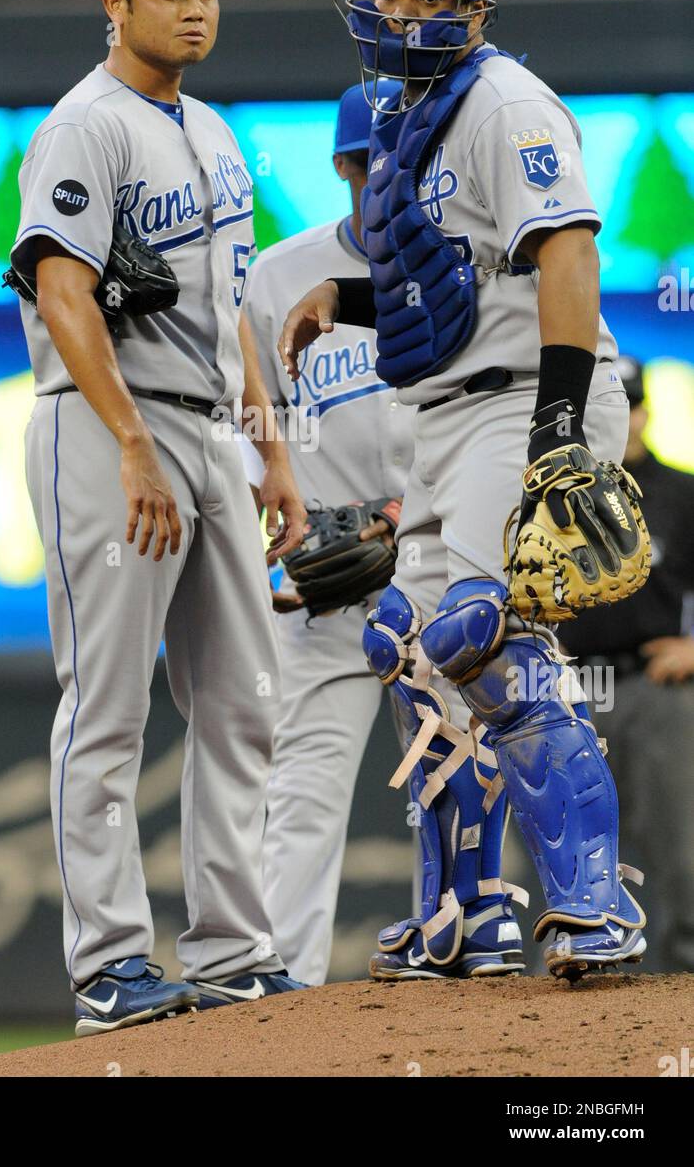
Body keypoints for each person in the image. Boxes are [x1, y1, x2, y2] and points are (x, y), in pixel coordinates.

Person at [278, 0, 647, 982]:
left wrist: (559, 434)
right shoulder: (408, 113)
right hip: (441, 409)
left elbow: (568, 255)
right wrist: (339, 297)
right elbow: (444, 279)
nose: (399, 10)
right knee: (405, 645)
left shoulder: (504, 102)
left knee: (479, 635)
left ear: (472, 8)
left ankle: (591, 900)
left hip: (524, 396)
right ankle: (466, 911)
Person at [9, 0, 307, 1035]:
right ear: (113, 4)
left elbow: (228, 314)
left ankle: (232, 949)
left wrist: (271, 450)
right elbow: (60, 292)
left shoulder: (216, 133)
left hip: (206, 438)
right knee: (109, 708)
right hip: (101, 428)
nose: (194, 3)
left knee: (241, 699)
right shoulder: (83, 128)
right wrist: (131, 439)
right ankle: (111, 968)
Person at [240, 84, 415, 985]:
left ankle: (468, 954)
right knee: (303, 788)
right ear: (345, 165)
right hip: (329, 577)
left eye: (407, 151)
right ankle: (279, 990)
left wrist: (404, 511)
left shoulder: (468, 260)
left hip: (441, 564)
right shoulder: (277, 275)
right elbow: (245, 422)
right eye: (372, 158)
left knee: (468, 770)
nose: (388, 172)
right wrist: (274, 532)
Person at [559, 356, 694, 971]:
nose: (628, 418)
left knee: (681, 856)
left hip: (653, 688)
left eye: (634, 405)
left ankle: (678, 1002)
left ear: (646, 412)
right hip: (569, 692)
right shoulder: (553, 502)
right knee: (568, 862)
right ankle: (564, 1018)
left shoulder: (681, 492)